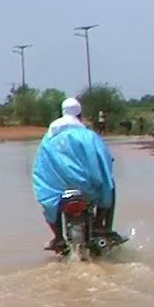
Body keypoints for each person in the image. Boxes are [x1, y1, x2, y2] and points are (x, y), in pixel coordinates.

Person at [32, 97, 120, 251]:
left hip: (57, 192)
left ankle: (58, 237)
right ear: (79, 115)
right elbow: (104, 160)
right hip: (88, 188)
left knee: (47, 198)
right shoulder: (89, 136)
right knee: (110, 185)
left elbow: (41, 170)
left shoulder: (48, 139)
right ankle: (100, 225)